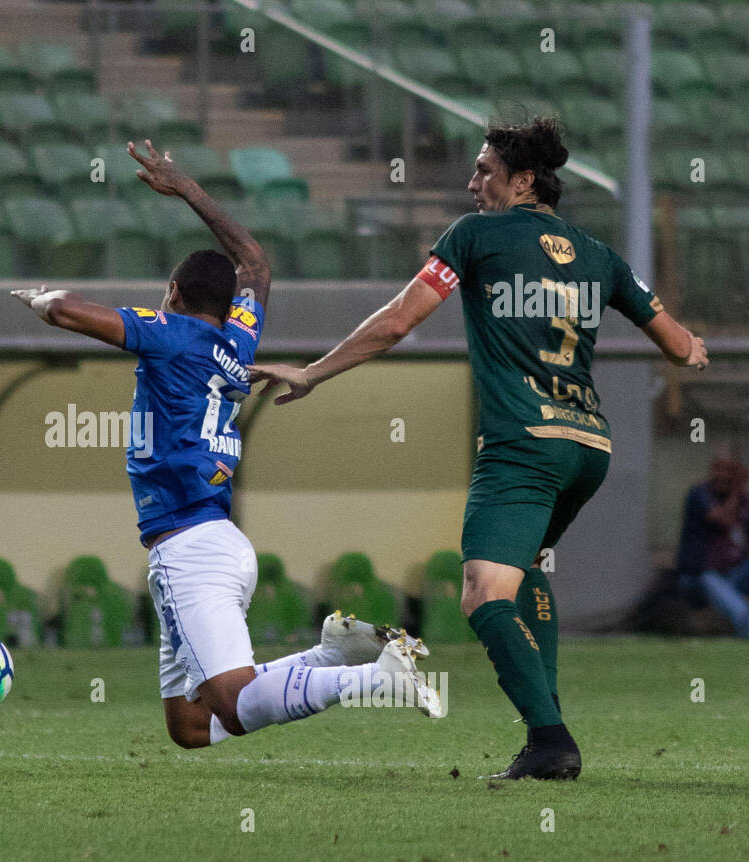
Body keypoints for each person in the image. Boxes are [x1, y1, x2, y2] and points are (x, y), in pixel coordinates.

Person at [248, 116, 708, 780]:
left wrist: (312, 371)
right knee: (524, 573)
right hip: (587, 446)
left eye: (485, 171)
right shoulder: (599, 255)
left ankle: (550, 740)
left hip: (522, 443)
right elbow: (676, 342)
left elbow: (400, 319)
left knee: (481, 594)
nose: (472, 184)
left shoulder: (475, 237)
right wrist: (694, 348)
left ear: (524, 182)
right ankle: (544, 726)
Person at [10, 139, 438, 751]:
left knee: (235, 709)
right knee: (191, 727)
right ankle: (329, 655)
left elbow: (68, 311)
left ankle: (374, 678)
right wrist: (185, 187)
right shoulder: (237, 340)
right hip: (215, 542)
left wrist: (43, 298)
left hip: (189, 548)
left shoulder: (169, 334)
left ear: (175, 294)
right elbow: (257, 263)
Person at [677, 451, 749, 636]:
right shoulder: (700, 494)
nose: (722, 475)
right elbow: (722, 519)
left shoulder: (743, 501)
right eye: (718, 469)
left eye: (728, 470)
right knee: (710, 579)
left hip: (732, 574)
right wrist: (738, 488)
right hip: (698, 576)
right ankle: (746, 624)